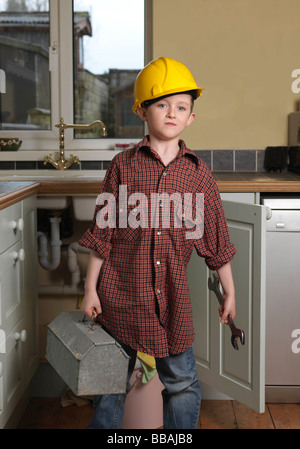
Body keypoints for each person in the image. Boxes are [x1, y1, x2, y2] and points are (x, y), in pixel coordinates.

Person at [79, 56, 236, 429]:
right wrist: (90, 289)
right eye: (162, 104)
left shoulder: (198, 175)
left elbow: (216, 242)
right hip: (119, 299)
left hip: (171, 303)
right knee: (109, 385)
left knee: (181, 384)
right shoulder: (123, 166)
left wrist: (230, 292)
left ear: (191, 118)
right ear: (142, 111)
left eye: (181, 106)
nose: (171, 112)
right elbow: (103, 234)